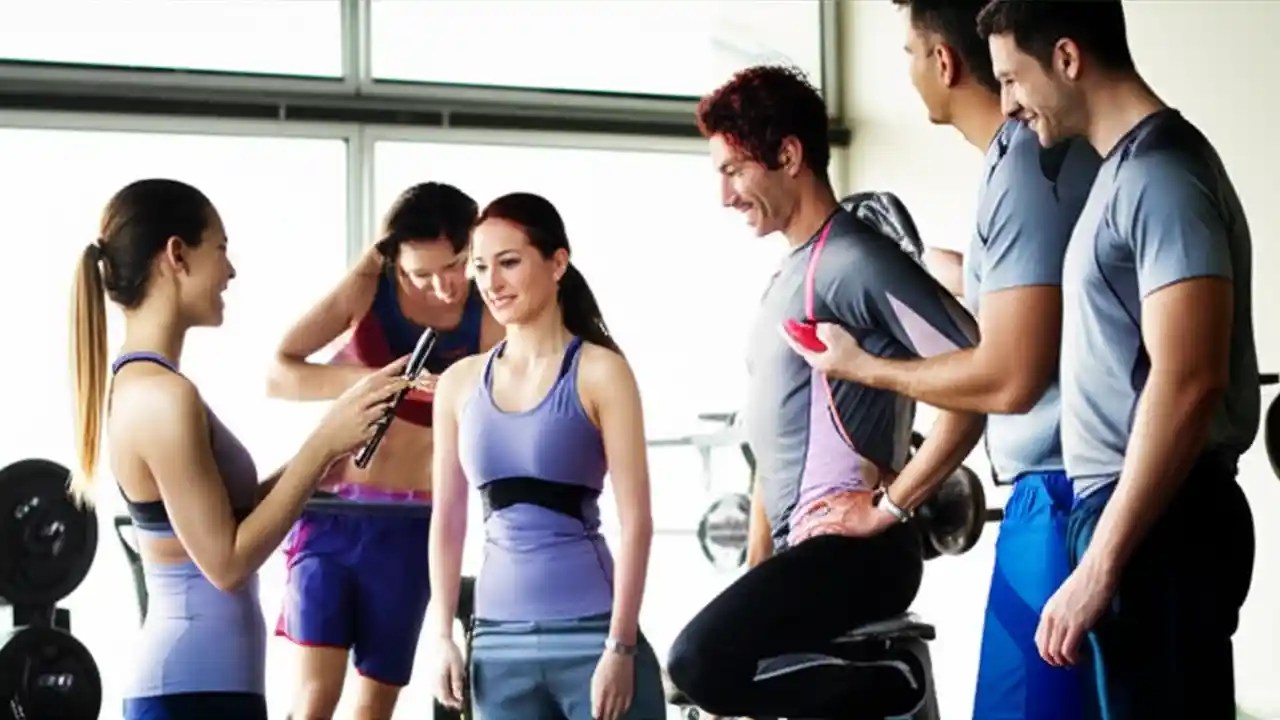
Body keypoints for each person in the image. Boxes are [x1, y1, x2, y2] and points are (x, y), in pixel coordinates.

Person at [796, 2, 1101, 718]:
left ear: (943, 61)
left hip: (1063, 491)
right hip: (1054, 490)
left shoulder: (1024, 163)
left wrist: (864, 374)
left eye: (909, 52)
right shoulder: (1024, 162)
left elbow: (1009, 376)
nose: (906, 71)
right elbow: (1037, 299)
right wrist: (917, 268)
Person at [664, 64, 987, 720]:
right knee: (705, 680)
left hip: (861, 551)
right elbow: (771, 446)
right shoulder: (791, 274)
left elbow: (979, 379)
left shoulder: (853, 261)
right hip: (804, 550)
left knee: (696, 662)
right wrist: (758, 564)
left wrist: (891, 506)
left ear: (789, 156)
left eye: (734, 171)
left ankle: (890, 681)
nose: (724, 195)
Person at [976, 2, 1259, 718]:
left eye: (1011, 79)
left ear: (1067, 58)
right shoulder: (1123, 172)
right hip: (1139, 519)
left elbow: (1191, 379)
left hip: (1162, 522)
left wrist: (1103, 562)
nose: (1007, 105)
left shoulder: (1161, 174)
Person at [68, 178, 407, 720]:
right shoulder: (162, 397)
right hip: (189, 694)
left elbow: (235, 516)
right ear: (177, 255)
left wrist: (332, 448)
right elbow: (225, 562)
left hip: (211, 687)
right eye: (220, 248)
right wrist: (323, 443)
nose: (230, 271)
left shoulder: (156, 388)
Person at [266, 181, 503, 719]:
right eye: (421, 274)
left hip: (412, 527)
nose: (443, 287)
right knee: (314, 699)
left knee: (374, 708)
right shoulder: (367, 290)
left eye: (456, 266)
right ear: (393, 260)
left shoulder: (490, 313)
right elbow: (279, 374)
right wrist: (379, 382)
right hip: (330, 517)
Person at [427, 192, 665, 720]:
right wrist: (442, 634)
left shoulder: (601, 372)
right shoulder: (458, 384)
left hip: (594, 638)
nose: (492, 282)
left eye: (509, 262)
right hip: (495, 646)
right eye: (480, 267)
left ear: (558, 263)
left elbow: (638, 522)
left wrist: (620, 646)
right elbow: (448, 519)